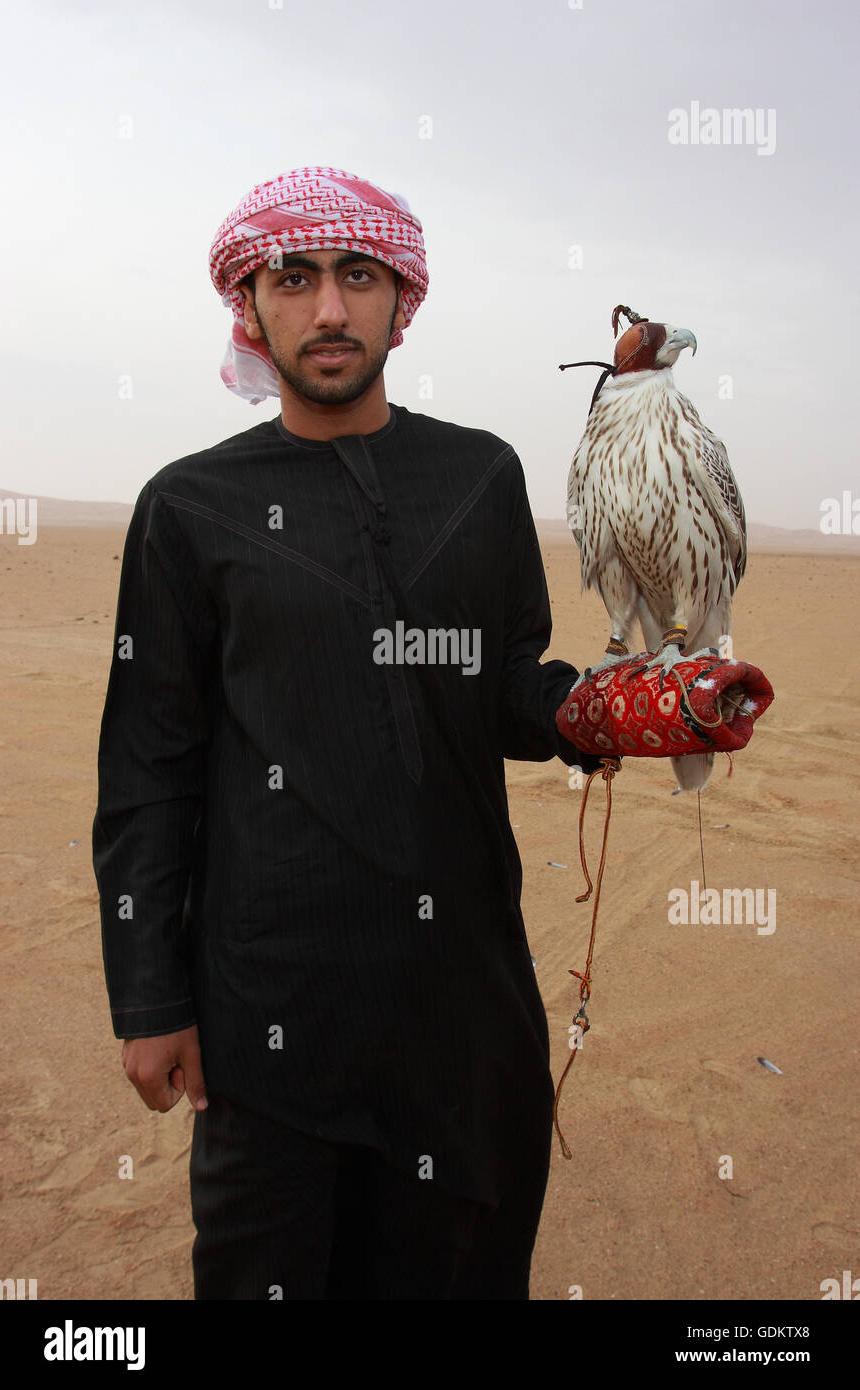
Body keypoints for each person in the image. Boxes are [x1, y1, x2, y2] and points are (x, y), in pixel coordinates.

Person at [92, 166, 600, 1301]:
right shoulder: (188, 508)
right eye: (294, 277)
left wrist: (588, 710)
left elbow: (501, 678)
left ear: (400, 301)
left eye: (356, 276)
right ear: (248, 304)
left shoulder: (478, 478)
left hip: (461, 1013)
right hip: (270, 1014)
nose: (328, 309)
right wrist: (150, 998)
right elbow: (146, 768)